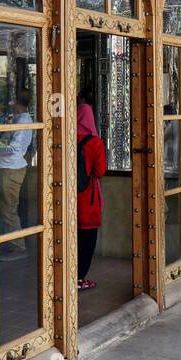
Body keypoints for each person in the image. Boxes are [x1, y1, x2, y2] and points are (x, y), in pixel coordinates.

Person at [0, 90, 33, 257]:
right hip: (6, 168)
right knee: (6, 209)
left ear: (17, 102)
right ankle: (11, 242)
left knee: (9, 210)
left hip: (10, 169)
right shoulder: (17, 120)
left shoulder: (23, 122)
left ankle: (18, 246)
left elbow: (14, 148)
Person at [76, 99, 106, 291]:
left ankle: (69, 275)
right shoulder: (95, 142)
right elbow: (101, 170)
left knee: (73, 238)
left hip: (69, 196)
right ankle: (79, 279)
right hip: (88, 197)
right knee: (87, 240)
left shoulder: (67, 137)